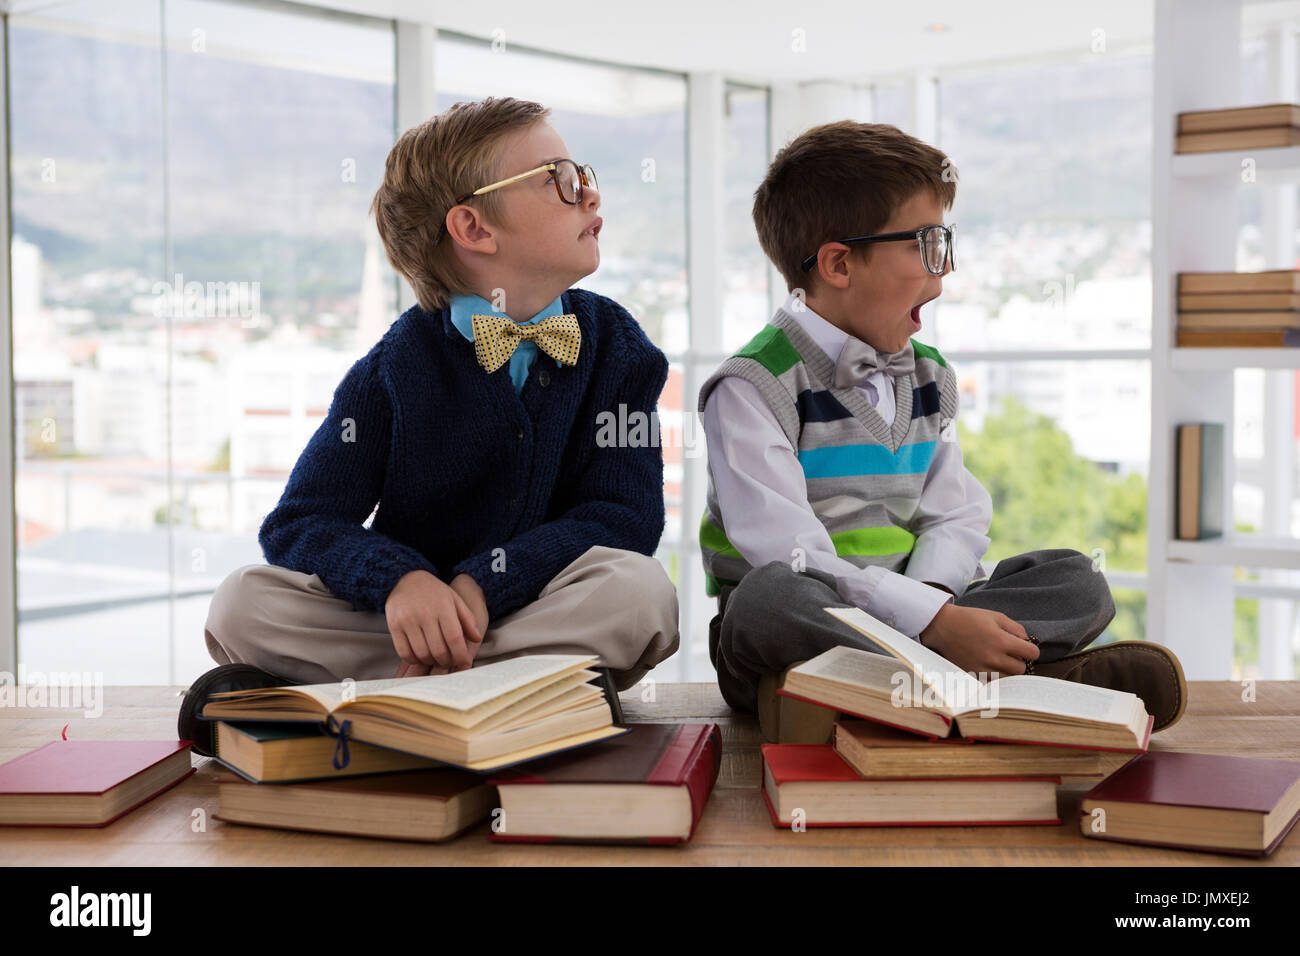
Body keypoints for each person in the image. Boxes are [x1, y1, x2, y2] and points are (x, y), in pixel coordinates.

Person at [181, 97, 679, 755]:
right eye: (557, 178)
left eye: (581, 173)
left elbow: (625, 517)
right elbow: (300, 521)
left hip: (530, 608)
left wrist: (483, 585)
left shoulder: (618, 346)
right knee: (241, 601)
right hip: (401, 625)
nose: (587, 193)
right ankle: (523, 693)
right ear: (474, 228)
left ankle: (386, 701)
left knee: (640, 595)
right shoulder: (395, 364)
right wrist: (400, 583)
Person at [699, 120, 1185, 741]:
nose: (945, 269)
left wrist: (934, 603)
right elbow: (790, 555)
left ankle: (920, 687)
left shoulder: (928, 374)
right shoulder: (749, 387)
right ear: (840, 263)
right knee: (767, 601)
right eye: (927, 245)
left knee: (1076, 579)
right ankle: (1018, 684)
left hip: (915, 610)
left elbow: (954, 514)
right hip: (808, 621)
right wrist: (928, 621)